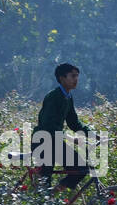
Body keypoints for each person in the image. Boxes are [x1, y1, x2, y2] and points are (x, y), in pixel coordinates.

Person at [34, 63, 91, 192]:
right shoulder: (53, 96)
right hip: (42, 142)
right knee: (44, 181)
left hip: (55, 142)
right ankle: (43, 202)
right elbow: (48, 125)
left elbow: (74, 123)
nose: (76, 79)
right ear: (62, 78)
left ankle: (54, 193)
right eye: (73, 76)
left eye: (77, 76)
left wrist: (92, 134)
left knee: (82, 168)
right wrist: (70, 138)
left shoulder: (68, 97)